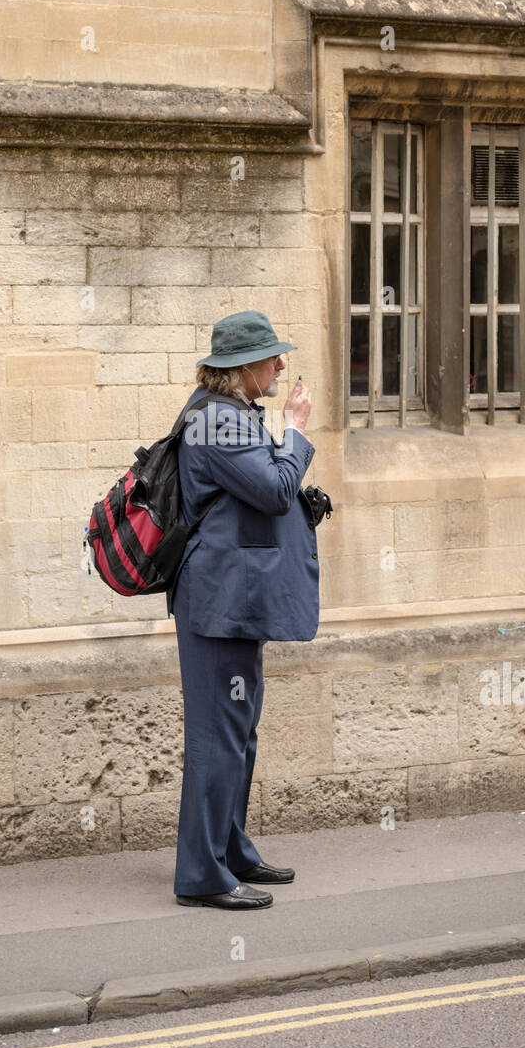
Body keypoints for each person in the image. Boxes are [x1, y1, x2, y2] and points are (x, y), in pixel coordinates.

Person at [165, 310, 319, 910]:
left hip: (233, 598)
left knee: (238, 731)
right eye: (271, 357)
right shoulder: (218, 423)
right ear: (241, 368)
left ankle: (229, 850)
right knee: (217, 735)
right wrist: (295, 430)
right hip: (218, 602)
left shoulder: (227, 416)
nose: (281, 365)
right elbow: (275, 489)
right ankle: (202, 873)